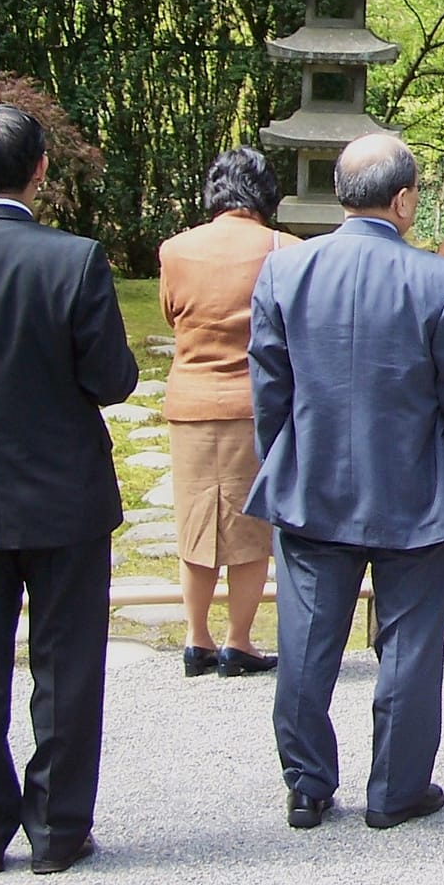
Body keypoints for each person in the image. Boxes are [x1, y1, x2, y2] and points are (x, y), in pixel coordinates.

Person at [246, 133, 444, 832]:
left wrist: (285, 461)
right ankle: (396, 789)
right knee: (411, 647)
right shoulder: (440, 281)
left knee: (306, 643)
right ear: (405, 198)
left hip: (311, 482)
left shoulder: (284, 272)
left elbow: (269, 391)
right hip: (416, 485)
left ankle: (306, 785)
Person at [0, 104, 139, 876]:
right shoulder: (75, 259)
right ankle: (57, 830)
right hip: (67, 494)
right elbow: (112, 378)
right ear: (41, 168)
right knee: (68, 666)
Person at [158, 148, 297, 679]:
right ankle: (239, 641)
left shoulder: (175, 250)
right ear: (265, 194)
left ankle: (197, 639)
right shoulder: (284, 249)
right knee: (249, 527)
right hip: (253, 405)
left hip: (190, 402)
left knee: (195, 523)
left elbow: (172, 312)